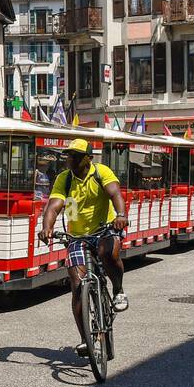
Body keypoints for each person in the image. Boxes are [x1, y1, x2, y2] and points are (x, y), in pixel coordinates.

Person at [38, 138, 129, 361]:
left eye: (76, 156)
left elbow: (115, 193)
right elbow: (54, 205)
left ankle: (118, 290)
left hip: (105, 228)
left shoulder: (101, 171)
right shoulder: (64, 178)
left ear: (88, 158)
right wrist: (46, 227)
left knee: (110, 253)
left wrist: (120, 216)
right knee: (77, 285)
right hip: (77, 235)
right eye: (69, 155)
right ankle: (86, 339)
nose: (71, 159)